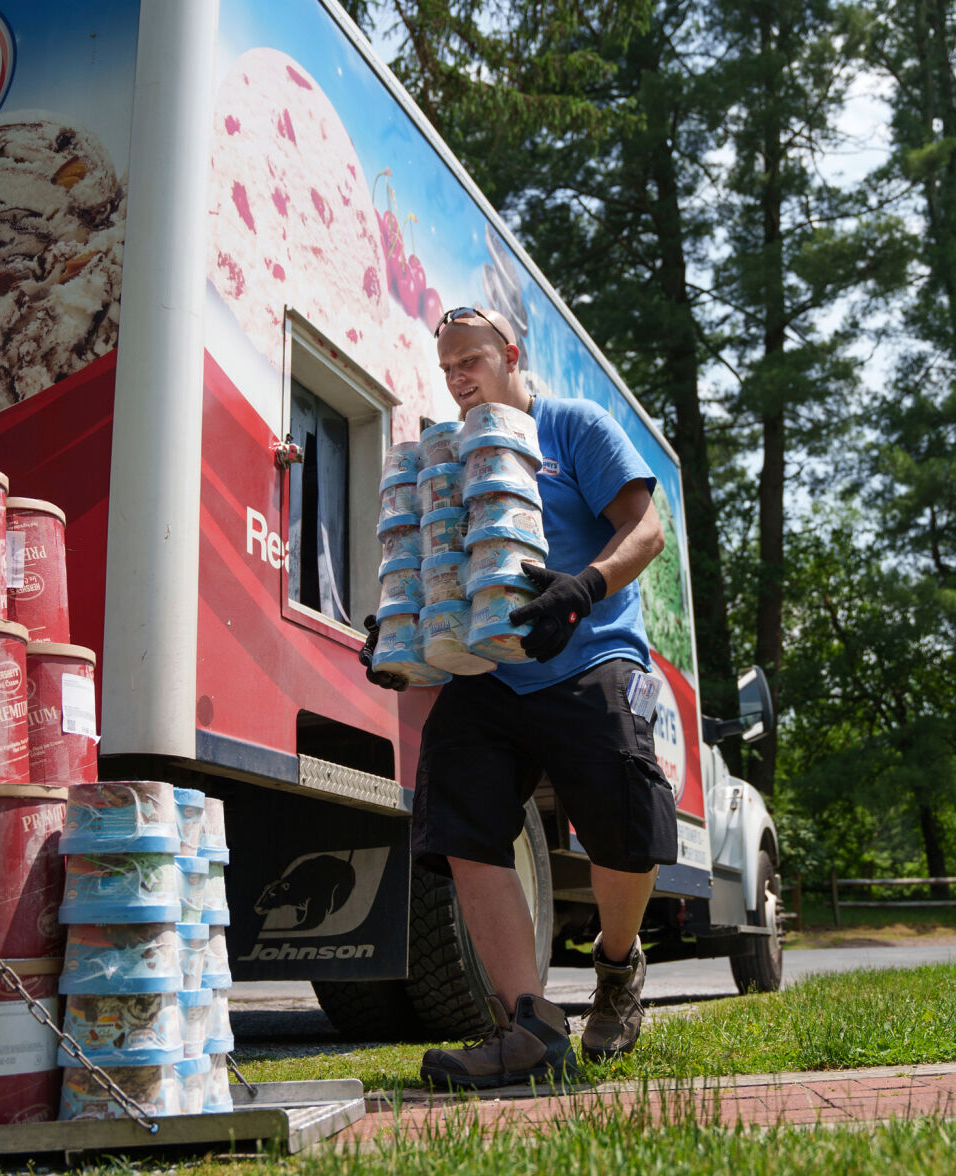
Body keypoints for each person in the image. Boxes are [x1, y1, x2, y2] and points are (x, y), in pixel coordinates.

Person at [359, 306, 674, 1088]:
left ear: (510, 354)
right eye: (448, 368)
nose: (460, 379)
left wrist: (583, 587)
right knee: (460, 825)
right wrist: (398, 626)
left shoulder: (573, 426)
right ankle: (530, 1026)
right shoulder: (455, 453)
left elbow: (645, 529)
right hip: (491, 671)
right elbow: (437, 559)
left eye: (471, 360)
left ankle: (615, 964)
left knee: (625, 832)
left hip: (589, 651)